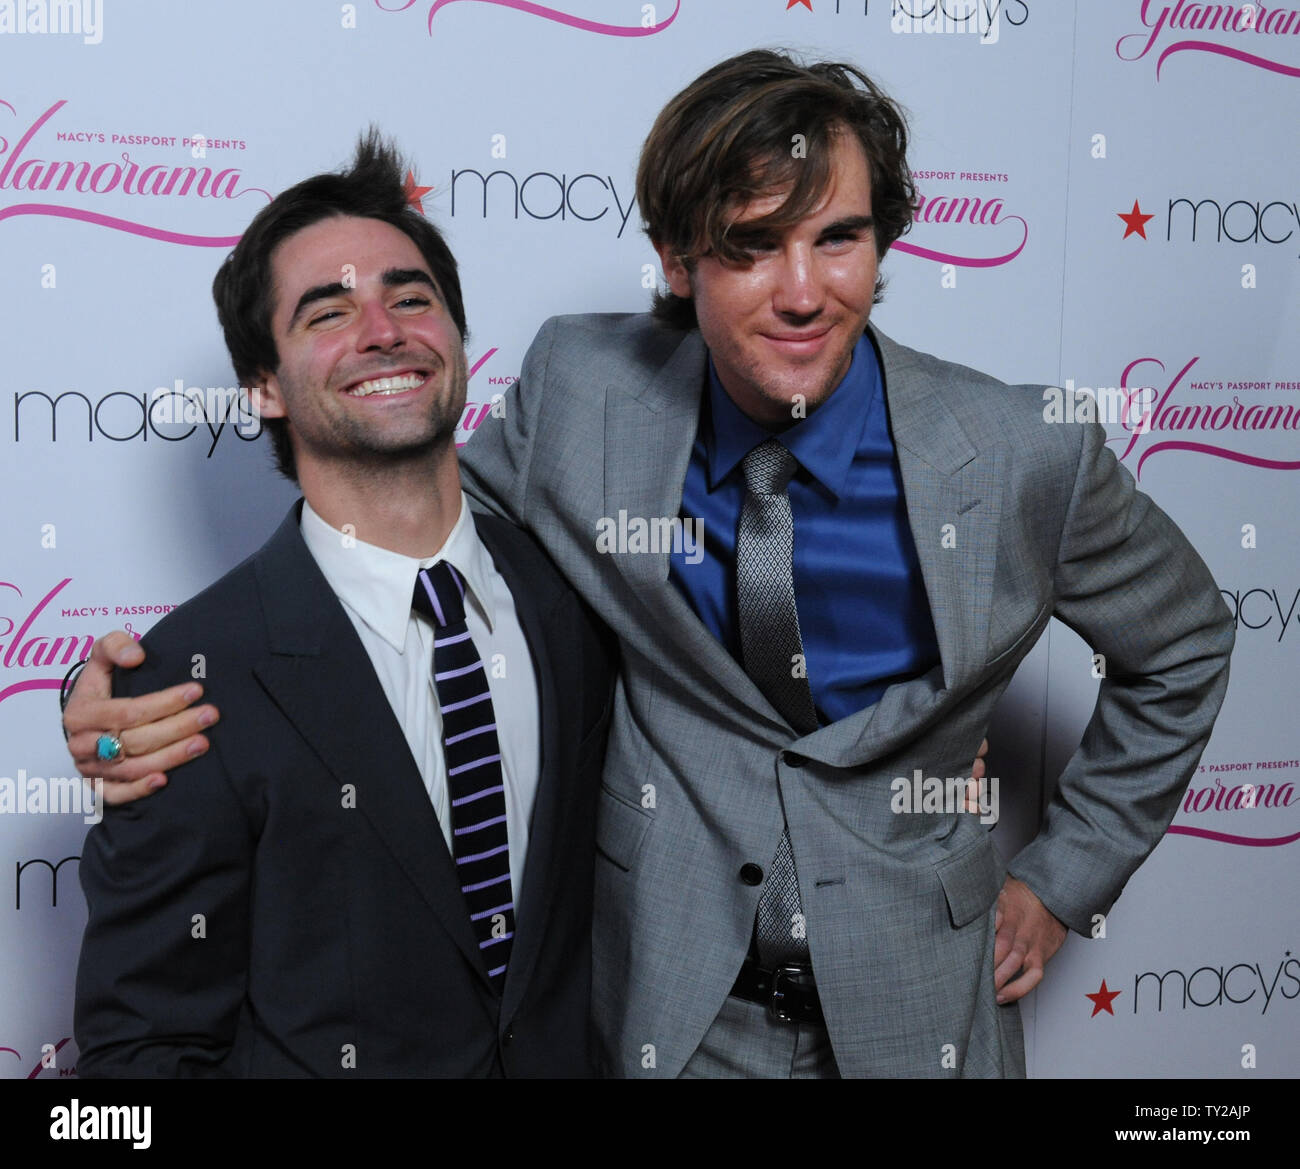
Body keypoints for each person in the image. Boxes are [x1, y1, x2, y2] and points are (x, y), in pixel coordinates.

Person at [68, 49, 1233, 1079]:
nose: (802, 292)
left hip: (923, 1007)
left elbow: (1181, 641)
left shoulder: (1023, 452)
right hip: (667, 1015)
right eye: (750, 245)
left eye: (838, 238)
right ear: (677, 262)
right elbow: (405, 529)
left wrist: (1061, 875)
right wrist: (136, 695)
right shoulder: (585, 396)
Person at [68, 132, 615, 1077]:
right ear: (265, 387)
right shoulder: (182, 686)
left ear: (458, 339)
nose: (383, 331)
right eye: (329, 312)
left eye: (411, 298)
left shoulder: (583, 598)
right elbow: (141, 1050)